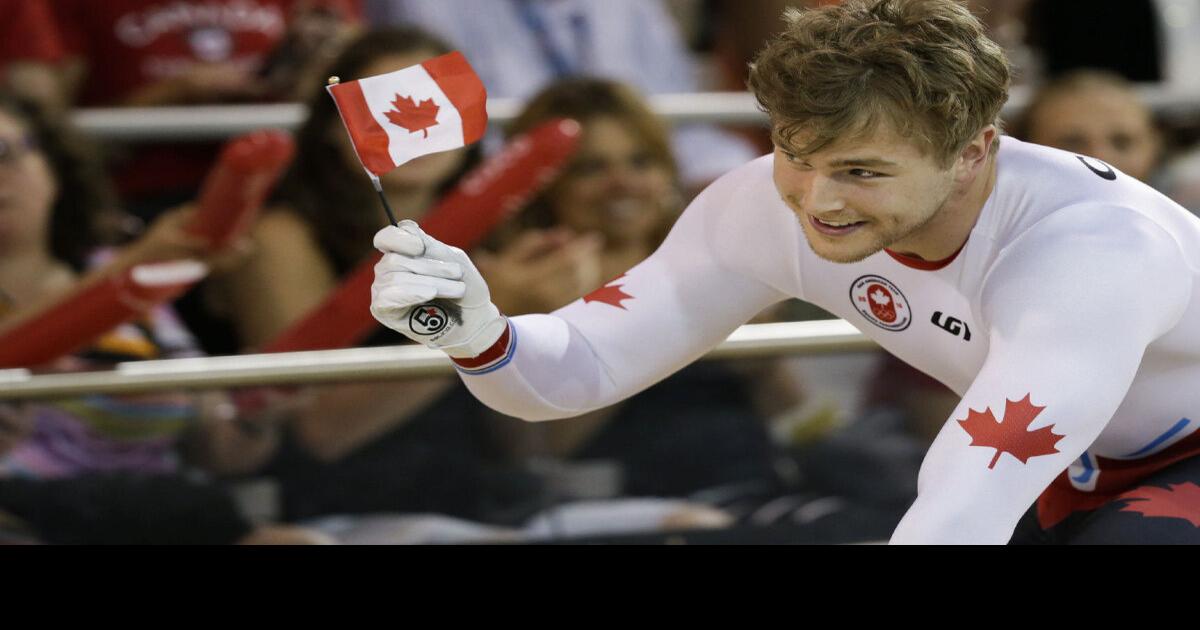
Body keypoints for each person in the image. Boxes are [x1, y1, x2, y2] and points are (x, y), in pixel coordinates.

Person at [367, 0, 1200, 544]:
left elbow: (963, 502)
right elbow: (575, 371)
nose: (819, 201)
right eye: (797, 156)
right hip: (1079, 464)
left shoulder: (1092, 252)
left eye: (863, 171)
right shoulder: (763, 203)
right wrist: (474, 330)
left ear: (974, 150)